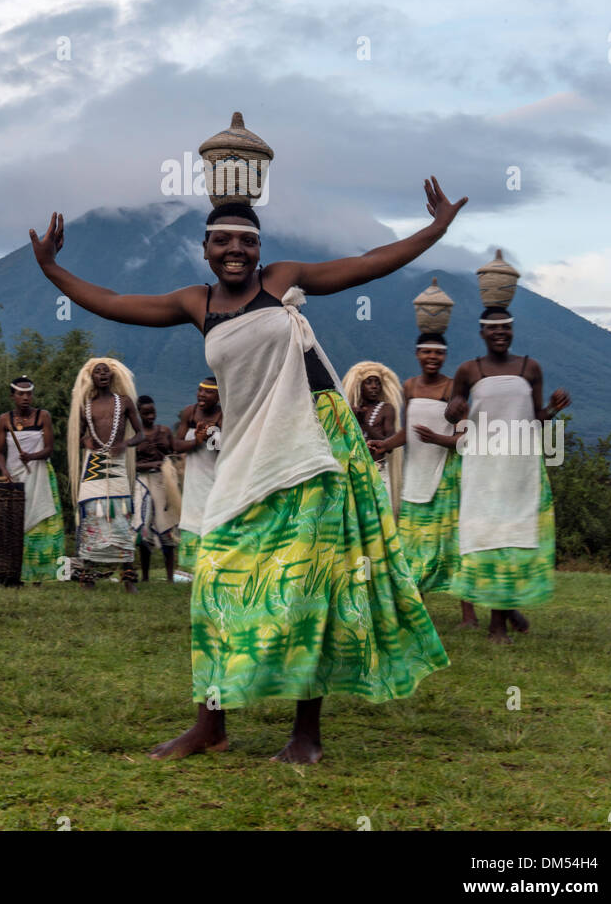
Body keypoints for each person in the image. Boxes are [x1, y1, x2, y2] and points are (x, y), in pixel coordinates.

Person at [30, 173, 466, 763]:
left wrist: (436, 228)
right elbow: (117, 304)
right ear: (205, 250)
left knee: (311, 585)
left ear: (259, 248)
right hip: (249, 448)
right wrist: (53, 270)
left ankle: (305, 736)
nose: (236, 250)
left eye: (247, 241)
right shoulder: (196, 303)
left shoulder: (282, 281)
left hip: (317, 443)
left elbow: (366, 264)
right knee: (213, 577)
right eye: (223, 241)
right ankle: (210, 724)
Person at [445, 308, 571, 644]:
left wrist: (554, 409)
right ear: (482, 333)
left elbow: (536, 417)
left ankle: (500, 621)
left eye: (507, 328)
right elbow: (453, 409)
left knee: (514, 536)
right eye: (494, 329)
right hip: (483, 465)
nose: (501, 333)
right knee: (487, 537)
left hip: (519, 464)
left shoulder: (530, 368)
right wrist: (454, 409)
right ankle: (502, 614)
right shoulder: (468, 370)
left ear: (512, 331)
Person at [370, 336, 477, 628]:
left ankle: (469, 617)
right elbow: (411, 431)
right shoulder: (409, 387)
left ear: (444, 356)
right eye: (426, 351)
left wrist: (439, 439)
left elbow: (466, 436)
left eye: (438, 352)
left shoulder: (453, 388)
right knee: (412, 544)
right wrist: (386, 444)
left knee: (450, 545)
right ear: (417, 354)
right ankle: (415, 612)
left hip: (444, 477)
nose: (432, 357)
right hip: (415, 477)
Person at [67, 359, 144, 592]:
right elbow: (79, 436)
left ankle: (128, 577)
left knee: (121, 516)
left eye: (106, 371)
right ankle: (87, 576)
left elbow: (140, 434)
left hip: (117, 462)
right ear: (91, 377)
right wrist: (85, 440)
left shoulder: (125, 402)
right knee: (91, 515)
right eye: (97, 372)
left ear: (112, 377)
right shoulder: (85, 406)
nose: (102, 374)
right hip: (94, 465)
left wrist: (126, 443)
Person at [0, 376, 64, 585]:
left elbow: (49, 449)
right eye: (20, 394)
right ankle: (15, 575)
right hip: (15, 478)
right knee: (15, 526)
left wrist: (32, 456)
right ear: (12, 396)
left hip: (39, 475)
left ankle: (39, 577)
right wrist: (4, 470)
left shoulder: (43, 416)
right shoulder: (4, 419)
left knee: (41, 526)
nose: (25, 397)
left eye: (29, 394)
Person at [342, 363, 404, 519]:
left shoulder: (386, 409)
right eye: (369, 382)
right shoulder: (352, 411)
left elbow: (389, 444)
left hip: (379, 473)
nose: (374, 386)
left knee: (383, 517)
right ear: (360, 386)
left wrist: (364, 425)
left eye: (377, 383)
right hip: (356, 473)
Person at [131, 396, 182, 583]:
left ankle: (169, 578)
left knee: (167, 527)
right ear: (139, 414)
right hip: (143, 482)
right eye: (146, 413)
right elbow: (132, 464)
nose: (150, 416)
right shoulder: (135, 436)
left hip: (163, 482)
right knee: (144, 530)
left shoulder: (165, 431)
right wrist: (153, 463)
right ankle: (144, 577)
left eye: (153, 412)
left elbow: (173, 452)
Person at [174, 378, 222, 572]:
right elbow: (176, 445)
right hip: (193, 477)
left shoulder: (223, 415)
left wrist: (212, 436)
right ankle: (193, 569)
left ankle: (213, 566)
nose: (201, 394)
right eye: (200, 390)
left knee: (212, 516)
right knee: (193, 516)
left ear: (219, 396)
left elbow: (227, 449)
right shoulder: (189, 412)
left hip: (215, 476)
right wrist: (196, 440)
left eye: (208, 392)